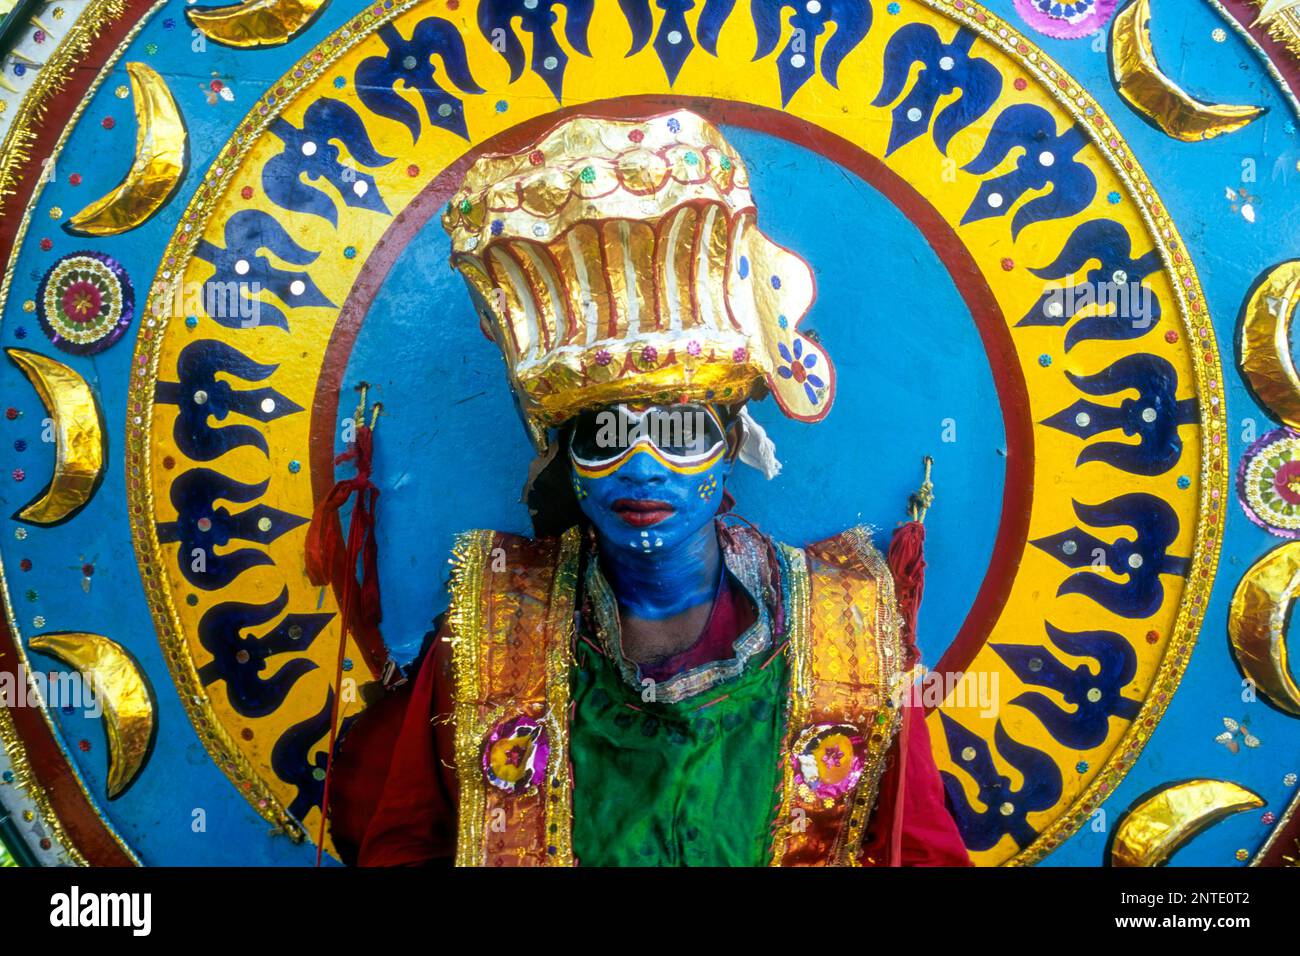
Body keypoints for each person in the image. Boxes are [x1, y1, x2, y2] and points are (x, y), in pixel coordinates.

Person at [333, 109, 971, 866]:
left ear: (728, 448)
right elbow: (406, 845)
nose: (641, 467)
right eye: (604, 437)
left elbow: (920, 850)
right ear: (565, 458)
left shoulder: (851, 629)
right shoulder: (493, 628)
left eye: (677, 433)